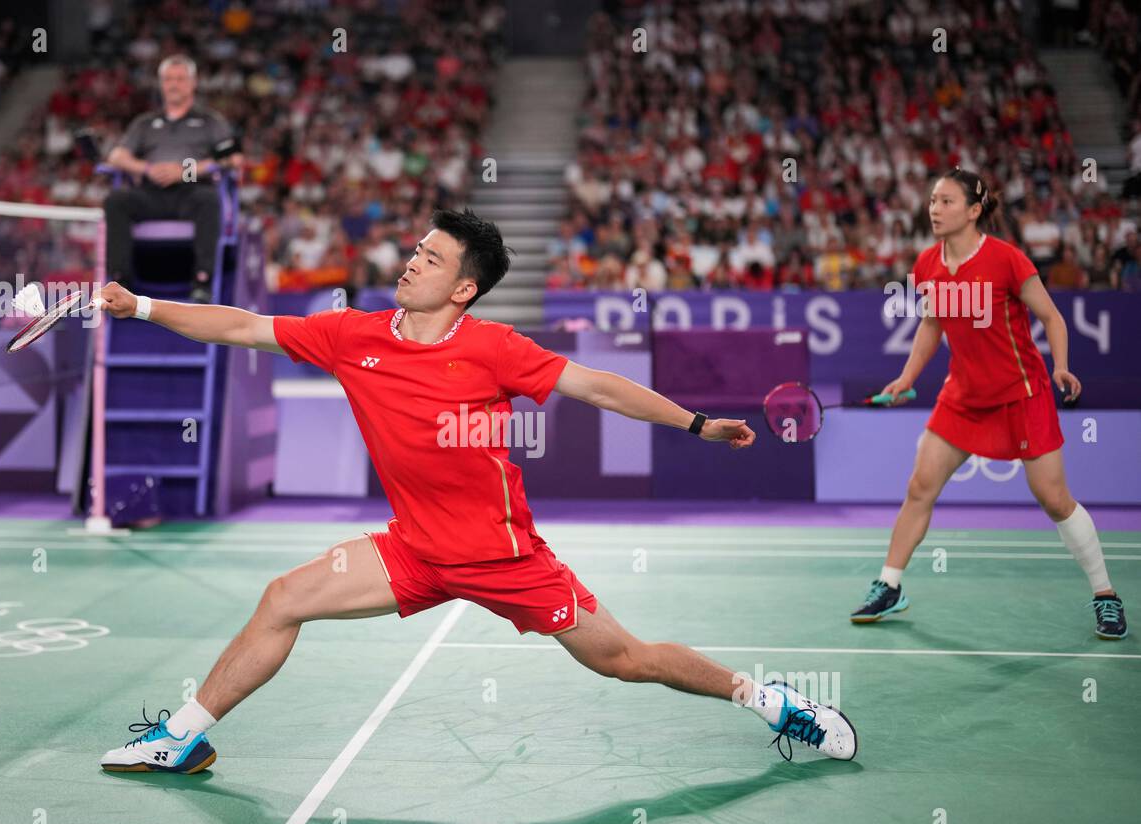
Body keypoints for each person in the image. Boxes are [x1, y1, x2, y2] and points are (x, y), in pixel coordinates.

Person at [95, 207, 859, 774]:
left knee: (625, 658)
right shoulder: (353, 335)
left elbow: (597, 386)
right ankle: (183, 738)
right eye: (414, 251)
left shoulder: (495, 349)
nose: (410, 263)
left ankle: (773, 703)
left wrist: (697, 425)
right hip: (414, 551)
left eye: (429, 259)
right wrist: (144, 307)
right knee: (283, 597)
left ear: (463, 288)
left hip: (503, 557)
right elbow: (241, 327)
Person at [850, 169, 1128, 640]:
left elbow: (1051, 317)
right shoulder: (927, 265)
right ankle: (890, 584)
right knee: (920, 486)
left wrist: (1060, 365)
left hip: (1022, 394)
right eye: (933, 201)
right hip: (964, 395)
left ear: (974, 210)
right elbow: (932, 326)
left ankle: (1105, 594)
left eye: (946, 201)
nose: (935, 209)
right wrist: (906, 378)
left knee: (1054, 499)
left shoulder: (1006, 260)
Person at [103, 54, 242, 302]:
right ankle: (119, 282)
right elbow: (116, 156)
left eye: (180, 79)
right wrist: (146, 168)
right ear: (161, 84)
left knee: (209, 201)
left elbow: (233, 159)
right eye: (168, 79)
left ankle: (202, 281)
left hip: (192, 192)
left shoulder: (210, 121)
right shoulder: (145, 122)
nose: (174, 84)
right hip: (150, 193)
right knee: (116, 200)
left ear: (192, 83)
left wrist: (184, 171)